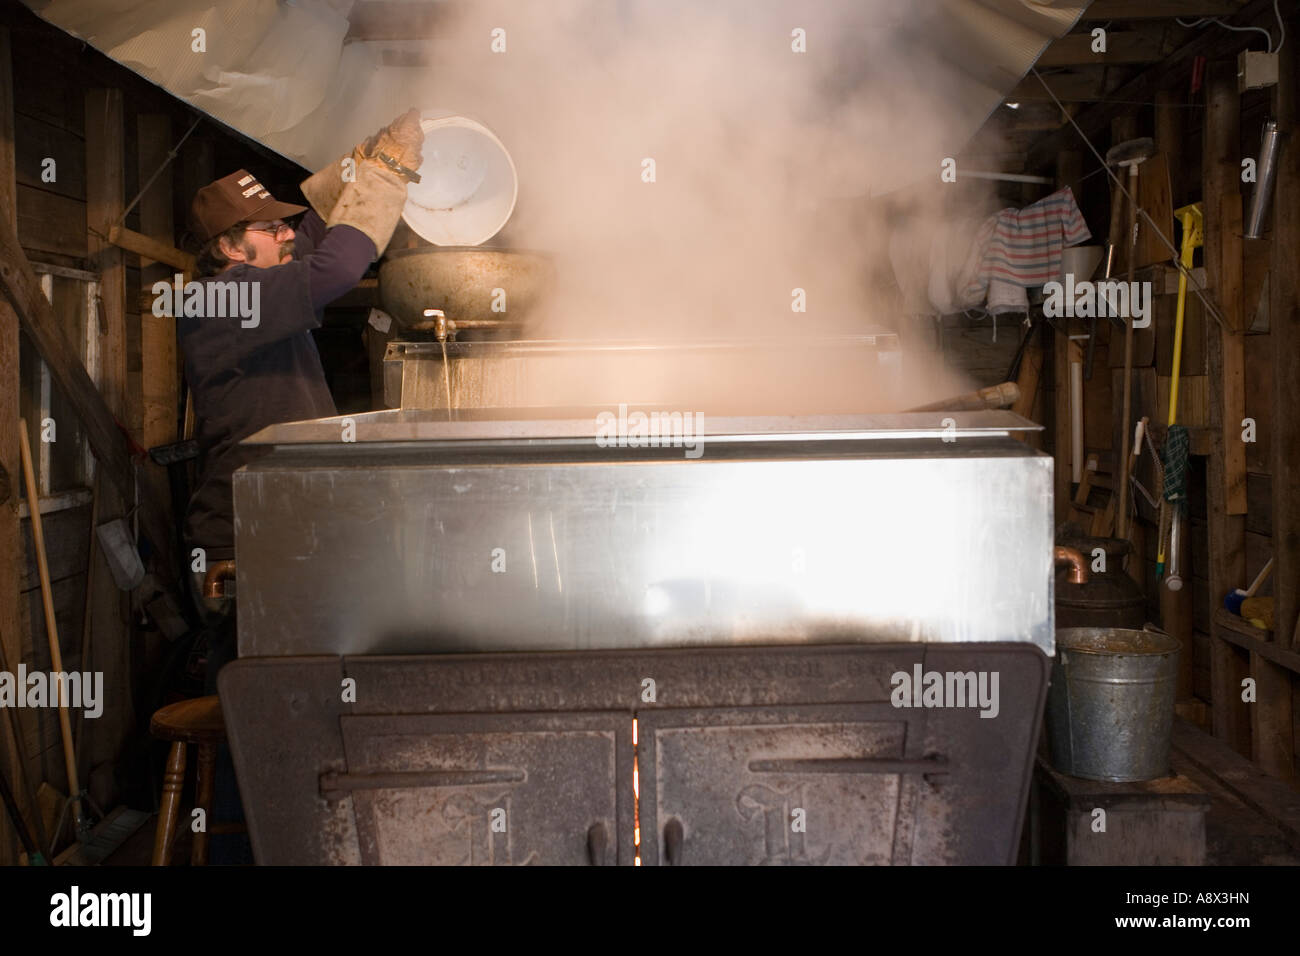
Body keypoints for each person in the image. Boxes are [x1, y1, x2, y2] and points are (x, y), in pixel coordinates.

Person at [179, 109, 424, 674]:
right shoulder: (223, 300)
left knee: (286, 703)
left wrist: (356, 165)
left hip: (274, 532)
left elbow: (315, 235)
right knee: (269, 708)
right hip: (243, 545)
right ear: (231, 248)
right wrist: (385, 177)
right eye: (271, 229)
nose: (286, 233)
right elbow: (336, 267)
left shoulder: (253, 291)